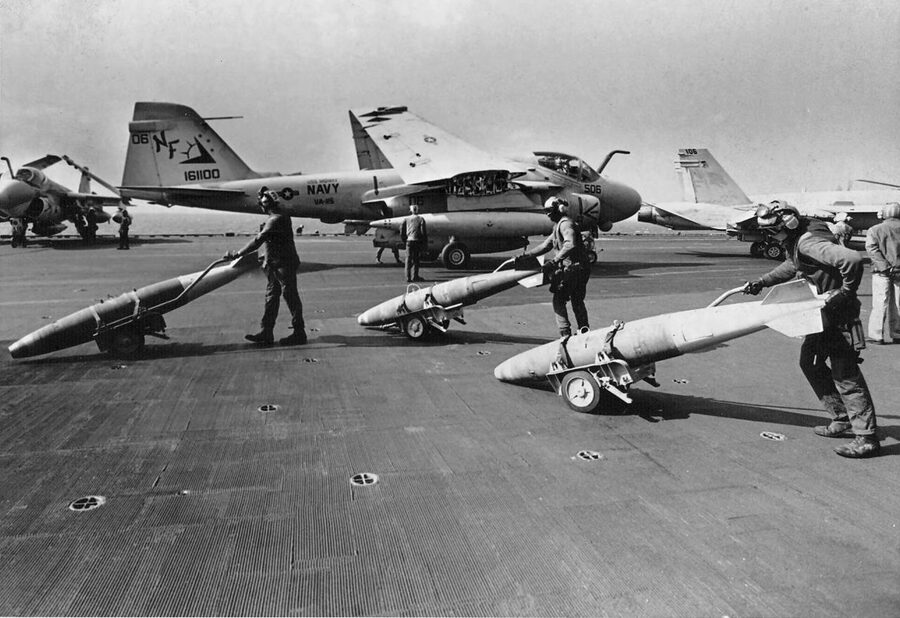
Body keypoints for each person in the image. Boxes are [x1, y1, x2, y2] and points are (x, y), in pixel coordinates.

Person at [743, 200, 880, 458]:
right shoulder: (800, 238)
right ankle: (842, 418)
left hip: (838, 318)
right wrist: (762, 282)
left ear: (787, 224)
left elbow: (851, 260)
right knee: (810, 363)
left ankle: (867, 438)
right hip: (822, 316)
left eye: (773, 230)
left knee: (845, 375)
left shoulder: (807, 241)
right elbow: (794, 265)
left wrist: (846, 292)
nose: (771, 235)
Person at [224, 189, 307, 346]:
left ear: (266, 204)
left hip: (283, 264)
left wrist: (237, 254)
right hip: (274, 265)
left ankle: (299, 333)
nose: (260, 206)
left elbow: (258, 240)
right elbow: (270, 242)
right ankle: (266, 332)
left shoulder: (276, 219)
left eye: (262, 203)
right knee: (271, 298)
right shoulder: (277, 217)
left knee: (290, 296)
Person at [520, 196, 591, 337]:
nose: (547, 214)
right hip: (580, 269)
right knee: (577, 301)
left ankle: (565, 334)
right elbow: (545, 245)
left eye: (549, 211)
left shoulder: (565, 224)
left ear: (559, 209)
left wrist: (554, 261)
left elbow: (569, 244)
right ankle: (584, 330)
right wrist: (527, 255)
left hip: (572, 270)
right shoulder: (559, 225)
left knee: (558, 300)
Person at [864, 202, 900, 344]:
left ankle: (877, 335)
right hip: (899, 271)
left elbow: (871, 248)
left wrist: (885, 266)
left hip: (881, 272)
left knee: (880, 303)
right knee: (898, 303)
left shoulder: (875, 229)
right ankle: (897, 334)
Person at [400, 204, 427, 282]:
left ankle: (407, 277)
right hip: (417, 240)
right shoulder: (421, 219)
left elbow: (402, 230)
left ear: (410, 210)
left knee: (408, 259)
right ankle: (415, 276)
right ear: (417, 210)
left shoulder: (406, 219)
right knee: (416, 259)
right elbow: (423, 232)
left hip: (409, 240)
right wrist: (424, 242)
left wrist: (404, 239)